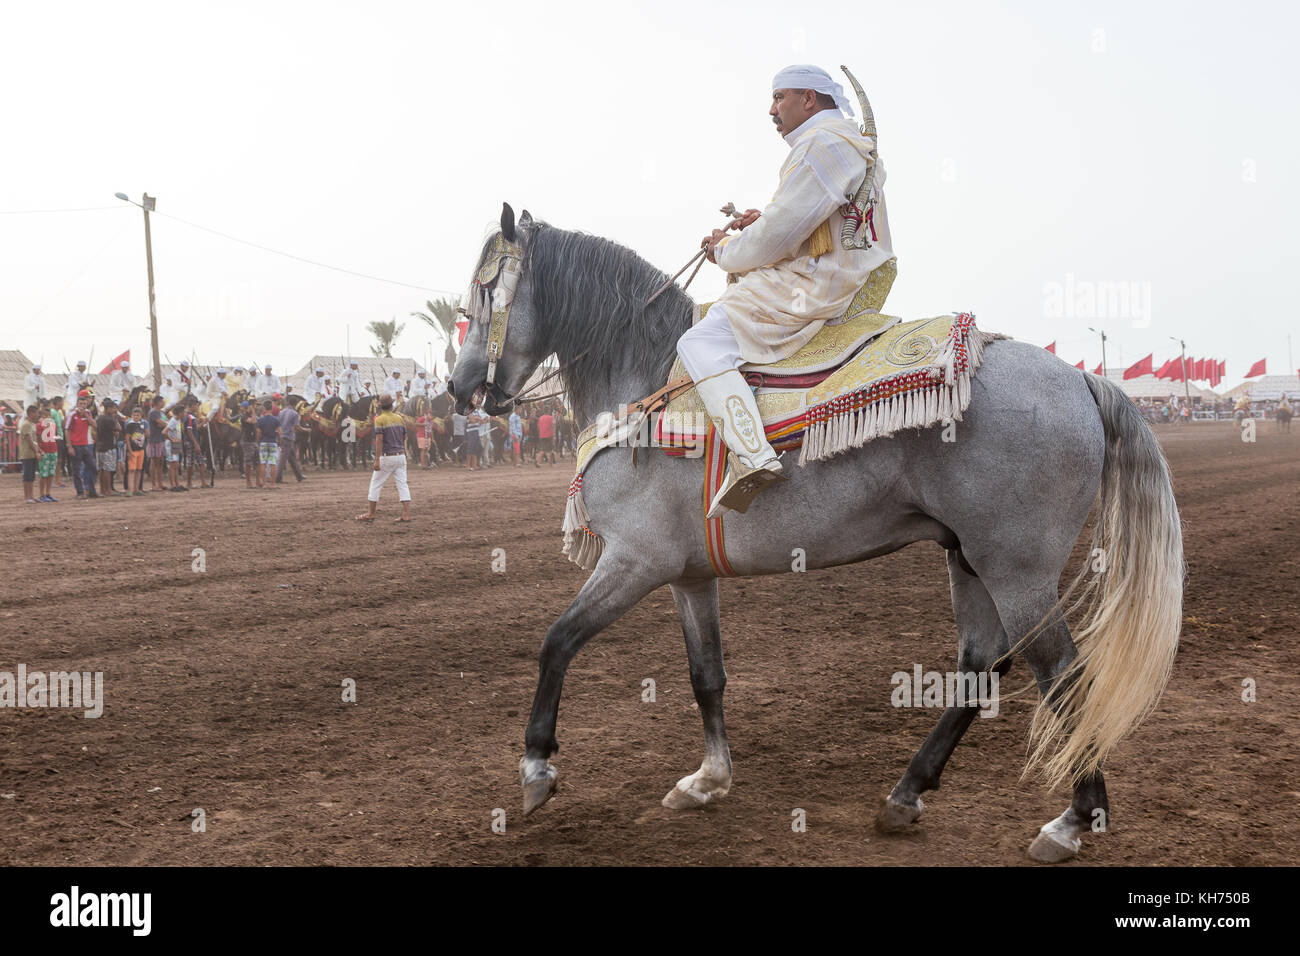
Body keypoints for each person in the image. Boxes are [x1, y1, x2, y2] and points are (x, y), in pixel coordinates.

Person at [676, 64, 896, 518]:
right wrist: (764, 222)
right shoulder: (843, 142)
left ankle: (752, 454)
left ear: (809, 99)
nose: (771, 109)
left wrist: (725, 250)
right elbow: (805, 222)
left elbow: (777, 236)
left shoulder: (820, 145)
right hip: (838, 272)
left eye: (780, 97)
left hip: (818, 283)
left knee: (699, 340)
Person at [356, 394, 411, 522]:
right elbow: (404, 437)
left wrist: (377, 459)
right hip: (401, 456)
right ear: (392, 405)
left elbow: (379, 439)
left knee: (375, 484)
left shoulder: (379, 420)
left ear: (380, 406)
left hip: (387, 456)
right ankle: (407, 514)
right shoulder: (400, 418)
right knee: (402, 485)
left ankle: (371, 513)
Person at [66, 392, 99, 499]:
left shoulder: (88, 413)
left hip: (85, 444)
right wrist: (70, 446)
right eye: (80, 404)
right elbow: (67, 430)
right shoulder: (72, 415)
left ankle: (91, 489)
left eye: (84, 404)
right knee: (77, 470)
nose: (82, 406)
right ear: (77, 404)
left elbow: (94, 425)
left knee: (92, 467)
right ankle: (80, 492)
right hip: (76, 445)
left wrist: (85, 415)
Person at [275, 397, 307, 483]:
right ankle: (278, 477)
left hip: (282, 436)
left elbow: (277, 424)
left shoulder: (281, 412)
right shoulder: (294, 413)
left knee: (292, 458)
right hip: (288, 437)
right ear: (296, 404)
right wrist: (305, 430)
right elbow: (297, 426)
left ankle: (299, 476)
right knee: (283, 459)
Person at [95, 399, 121, 497]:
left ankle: (103, 489)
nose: (115, 410)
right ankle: (108, 489)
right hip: (108, 446)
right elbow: (119, 429)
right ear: (108, 408)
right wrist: (115, 419)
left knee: (101, 469)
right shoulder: (109, 419)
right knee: (108, 469)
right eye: (113, 408)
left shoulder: (99, 418)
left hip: (100, 446)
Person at [36, 405, 59, 502]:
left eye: (49, 415)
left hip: (53, 450)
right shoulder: (38, 425)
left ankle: (48, 493)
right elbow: (38, 438)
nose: (48, 417)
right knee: (43, 474)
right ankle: (42, 494)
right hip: (44, 451)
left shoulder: (53, 424)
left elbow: (55, 436)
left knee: (50, 473)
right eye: (46, 415)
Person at [123, 405, 147, 496]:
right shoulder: (130, 425)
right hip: (133, 450)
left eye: (138, 415)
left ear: (141, 416)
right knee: (131, 470)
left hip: (141, 449)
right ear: (132, 415)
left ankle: (136, 489)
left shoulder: (142, 424)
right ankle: (130, 489)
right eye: (135, 415)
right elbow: (127, 438)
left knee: (139, 470)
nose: (136, 417)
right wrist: (129, 450)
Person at [18, 405, 40, 504]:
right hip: (27, 454)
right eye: (36, 412)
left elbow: (34, 441)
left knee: (31, 477)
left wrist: (39, 450)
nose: (37, 414)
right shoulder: (26, 424)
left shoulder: (32, 424)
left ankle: (31, 496)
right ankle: (27, 497)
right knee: (27, 477)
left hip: (32, 454)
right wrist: (36, 451)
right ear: (31, 413)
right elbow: (29, 440)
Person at [146, 395, 168, 492]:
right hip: (155, 439)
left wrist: (164, 424)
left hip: (161, 439)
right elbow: (162, 423)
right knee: (154, 461)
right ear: (158, 402)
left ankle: (160, 483)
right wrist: (167, 424)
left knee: (160, 462)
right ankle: (154, 484)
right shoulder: (153, 412)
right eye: (162, 401)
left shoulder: (161, 412)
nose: (164, 403)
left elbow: (163, 423)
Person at [256, 399, 280, 487]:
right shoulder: (276, 420)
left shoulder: (261, 420)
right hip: (273, 442)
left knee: (263, 463)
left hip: (263, 442)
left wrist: (259, 442)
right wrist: (279, 442)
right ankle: (272, 484)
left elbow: (258, 433)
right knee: (273, 463)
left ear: (264, 409)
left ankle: (265, 483)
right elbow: (280, 432)